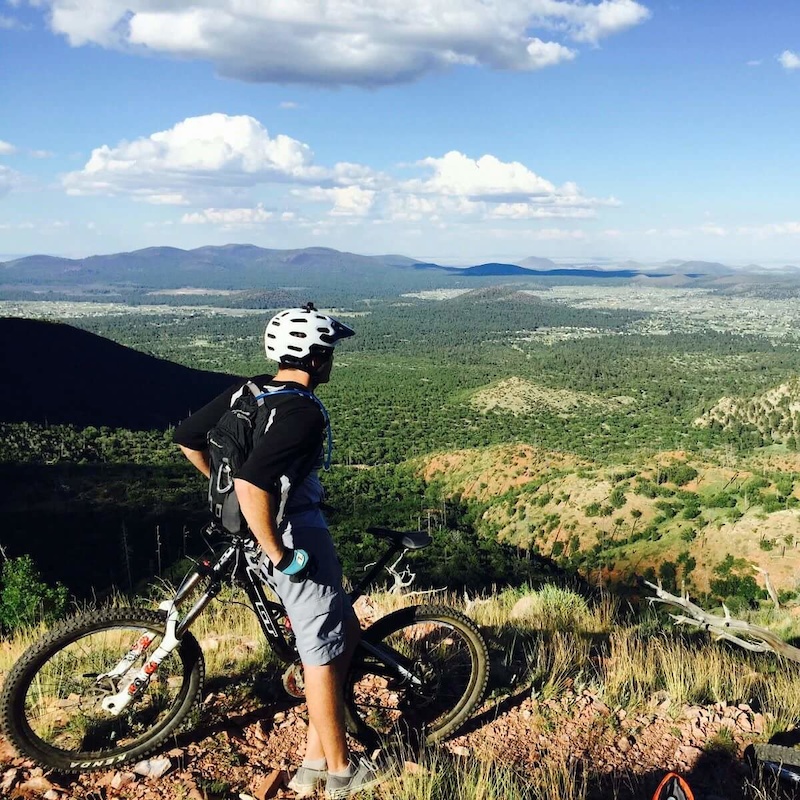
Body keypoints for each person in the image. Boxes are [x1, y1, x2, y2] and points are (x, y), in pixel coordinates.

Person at [173, 303, 387, 799]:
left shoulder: (248, 389)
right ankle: (339, 772)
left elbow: (188, 439)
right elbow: (252, 482)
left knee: (341, 632)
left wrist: (225, 492)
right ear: (314, 358)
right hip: (291, 537)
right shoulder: (303, 413)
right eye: (328, 352)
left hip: (251, 534)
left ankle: (316, 755)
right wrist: (280, 552)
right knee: (318, 650)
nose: (332, 360)